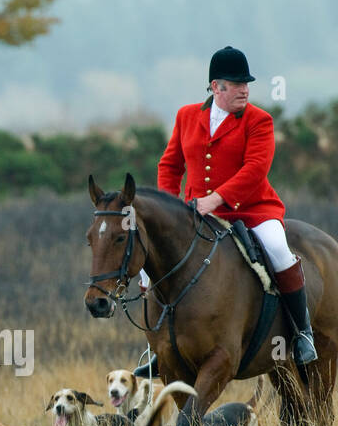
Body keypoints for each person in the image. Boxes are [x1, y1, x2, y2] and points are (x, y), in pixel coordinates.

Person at [135, 45, 316, 377]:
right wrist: (168, 208)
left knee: (279, 250)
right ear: (216, 86)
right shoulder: (186, 116)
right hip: (195, 214)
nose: (244, 89)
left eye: (246, 83)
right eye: (236, 83)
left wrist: (217, 199)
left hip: (252, 210)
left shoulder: (259, 120)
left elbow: (255, 169)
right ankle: (157, 347)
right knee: (150, 265)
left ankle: (303, 333)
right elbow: (170, 165)